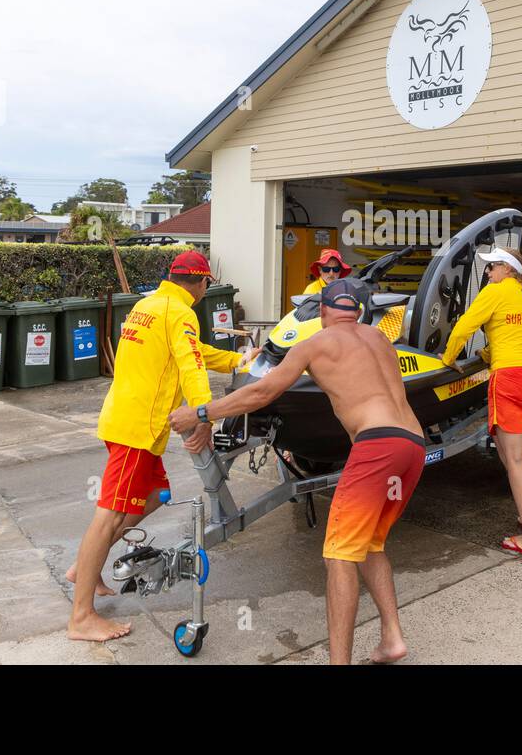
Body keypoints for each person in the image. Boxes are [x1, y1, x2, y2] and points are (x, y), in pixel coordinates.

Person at [170, 278, 424, 665]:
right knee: (370, 544)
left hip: (376, 447)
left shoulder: (313, 344)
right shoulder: (380, 341)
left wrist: (200, 412)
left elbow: (261, 392)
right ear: (359, 312)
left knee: (338, 558)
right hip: (412, 446)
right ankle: (392, 638)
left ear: (321, 312)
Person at [67, 250, 255, 643]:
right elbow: (191, 367)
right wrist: (204, 415)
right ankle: (81, 616)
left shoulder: (148, 305)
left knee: (154, 496)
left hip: (125, 421)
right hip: (136, 430)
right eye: (207, 284)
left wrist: (240, 360)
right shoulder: (181, 312)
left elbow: (193, 354)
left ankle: (83, 568)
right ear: (203, 283)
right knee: (109, 515)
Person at [438, 246, 522, 558]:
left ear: (507, 270)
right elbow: (513, 334)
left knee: (515, 460)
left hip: (510, 380)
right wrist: (485, 356)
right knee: (508, 448)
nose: (487, 273)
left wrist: (449, 359)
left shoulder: (495, 292)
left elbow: (463, 326)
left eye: (492, 267)